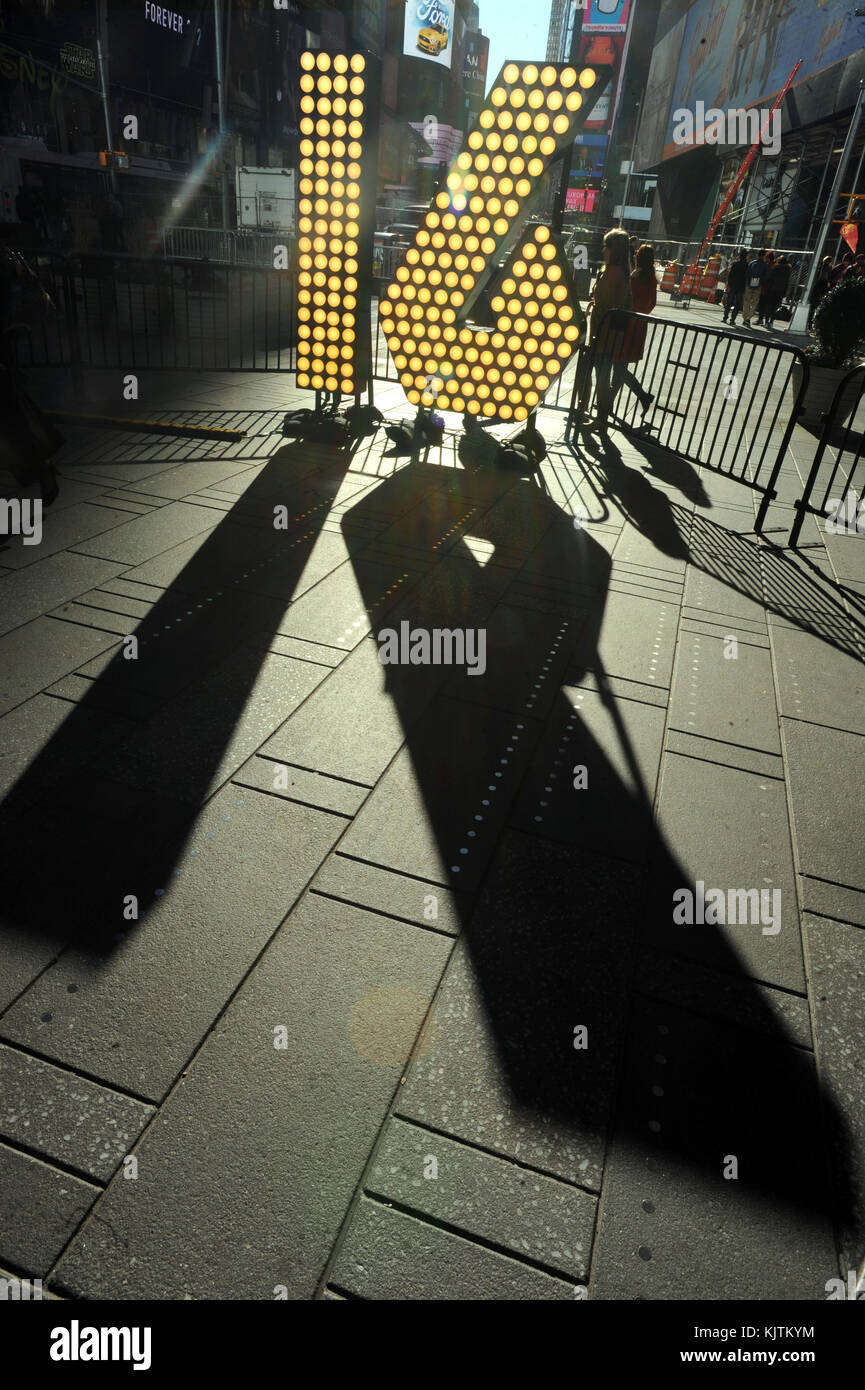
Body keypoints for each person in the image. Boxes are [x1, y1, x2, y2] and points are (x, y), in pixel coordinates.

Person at [582, 227, 633, 434]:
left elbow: (610, 303)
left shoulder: (613, 272)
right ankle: (601, 418)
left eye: (606, 246)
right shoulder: (622, 272)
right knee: (603, 375)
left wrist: (597, 307)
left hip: (604, 334)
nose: (603, 250)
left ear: (613, 250)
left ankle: (601, 419)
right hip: (611, 333)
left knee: (602, 377)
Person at [760, 254, 791, 328]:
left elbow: (769, 278)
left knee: (769, 306)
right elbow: (786, 282)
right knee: (775, 307)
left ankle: (766, 322)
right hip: (780, 291)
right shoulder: (787, 270)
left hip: (771, 290)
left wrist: (766, 287)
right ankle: (771, 322)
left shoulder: (775, 268)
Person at [742, 249, 768, 327]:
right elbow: (766, 277)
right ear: (764, 256)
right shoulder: (765, 265)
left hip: (749, 284)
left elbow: (747, 274)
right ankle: (749, 318)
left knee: (747, 302)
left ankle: (745, 318)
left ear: (757, 255)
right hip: (758, 286)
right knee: (754, 303)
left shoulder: (752, 263)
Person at [723, 249, 748, 325]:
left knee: (729, 302)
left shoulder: (735, 264)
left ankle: (725, 317)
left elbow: (730, 275)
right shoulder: (747, 265)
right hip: (741, 287)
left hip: (733, 285)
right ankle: (732, 319)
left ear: (739, 256)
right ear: (746, 256)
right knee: (737, 304)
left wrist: (729, 284)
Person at [808, 256, 833, 331]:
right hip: (820, 293)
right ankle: (811, 326)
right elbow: (822, 282)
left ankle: (810, 325)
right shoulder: (826, 271)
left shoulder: (821, 269)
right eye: (831, 262)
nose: (832, 263)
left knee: (813, 309)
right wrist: (828, 284)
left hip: (817, 292)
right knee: (815, 309)